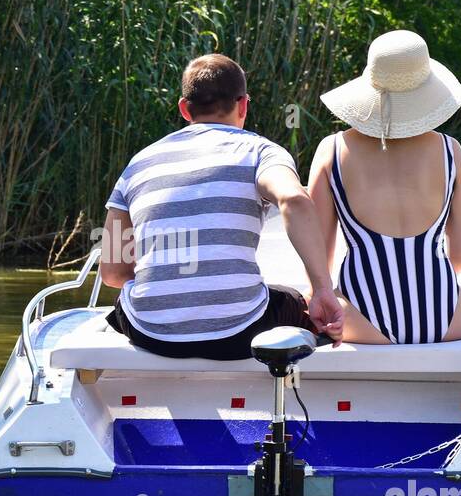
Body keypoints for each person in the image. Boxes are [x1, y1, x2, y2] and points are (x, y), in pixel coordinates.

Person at [98, 54, 344, 361]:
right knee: (296, 300)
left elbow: (112, 272)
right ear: (244, 105)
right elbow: (294, 199)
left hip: (149, 334)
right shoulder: (260, 152)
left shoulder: (138, 164)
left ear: (185, 109)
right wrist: (322, 290)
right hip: (240, 333)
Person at [307, 30, 461, 345]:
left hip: (362, 322)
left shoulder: (331, 150)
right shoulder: (450, 151)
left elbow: (318, 258)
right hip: (448, 320)